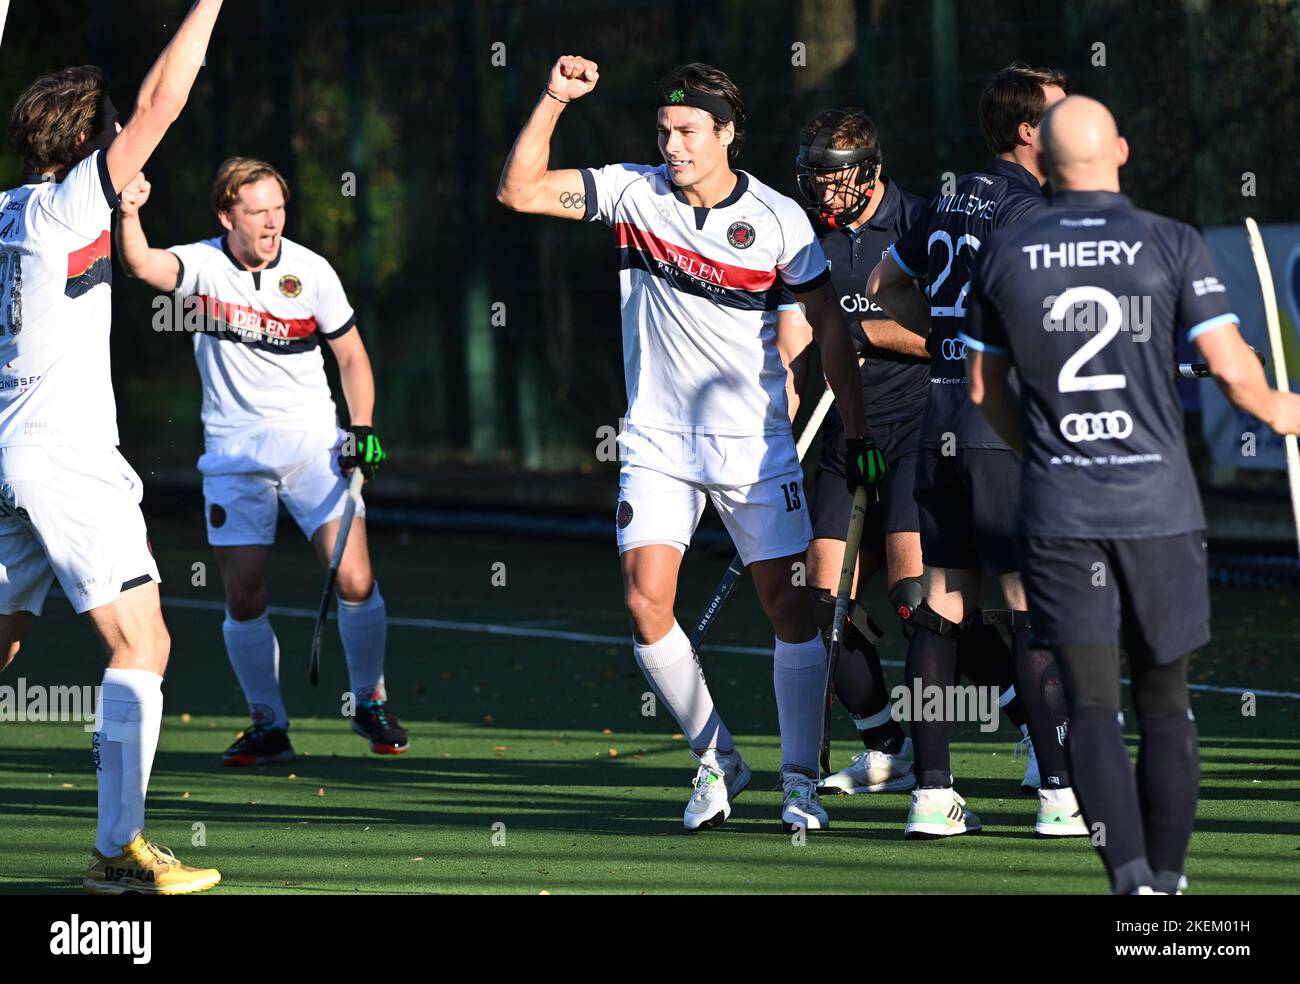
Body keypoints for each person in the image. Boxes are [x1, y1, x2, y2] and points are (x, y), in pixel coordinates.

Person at [498, 57, 881, 832]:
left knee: (790, 610)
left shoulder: (778, 219)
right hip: (656, 444)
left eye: (688, 131)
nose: (672, 145)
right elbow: (519, 190)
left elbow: (830, 324)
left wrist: (858, 425)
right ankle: (718, 759)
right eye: (664, 130)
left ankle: (800, 781)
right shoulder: (632, 191)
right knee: (646, 605)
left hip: (753, 446)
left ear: (727, 133)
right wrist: (552, 99)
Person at [964, 94, 1300, 893]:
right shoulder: (1170, 241)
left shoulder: (1006, 249)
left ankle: (1128, 880)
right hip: (1157, 508)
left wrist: (1038, 450)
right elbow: (1231, 367)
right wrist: (1285, 411)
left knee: (1087, 704)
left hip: (1060, 510)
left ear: (1041, 160)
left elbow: (982, 386)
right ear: (1119, 149)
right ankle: (1171, 884)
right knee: (1166, 699)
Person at [0, 0, 224, 894]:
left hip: (8, 451)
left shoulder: (13, 209)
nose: (129, 134)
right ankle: (115, 851)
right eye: (114, 130)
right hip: (62, 454)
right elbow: (165, 99)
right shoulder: (60, 206)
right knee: (143, 644)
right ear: (90, 138)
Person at [115, 157, 406, 763]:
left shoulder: (311, 270)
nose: (272, 222)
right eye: (258, 212)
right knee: (245, 595)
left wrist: (363, 428)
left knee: (353, 578)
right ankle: (269, 724)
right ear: (228, 215)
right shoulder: (201, 264)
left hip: (312, 448)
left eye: (278, 209)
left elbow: (350, 355)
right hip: (232, 456)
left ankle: (370, 702)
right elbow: (141, 264)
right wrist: (130, 212)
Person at [778, 109, 1034, 796]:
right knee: (819, 602)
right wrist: (779, 439)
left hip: (921, 430)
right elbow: (792, 347)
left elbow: (952, 335)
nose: (823, 194)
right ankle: (884, 745)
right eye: (813, 180)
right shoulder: (803, 242)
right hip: (843, 437)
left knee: (918, 599)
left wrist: (869, 334)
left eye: (834, 180)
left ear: (870, 171)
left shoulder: (924, 221)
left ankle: (1036, 726)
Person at [868, 64, 1086, 838]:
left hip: (941, 423)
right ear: (1030, 131)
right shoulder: (1032, 213)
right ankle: (1060, 797)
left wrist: (947, 342)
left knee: (941, 610)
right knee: (1033, 610)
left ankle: (933, 796)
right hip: (1002, 433)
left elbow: (889, 281)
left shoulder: (946, 196)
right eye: (1062, 117)